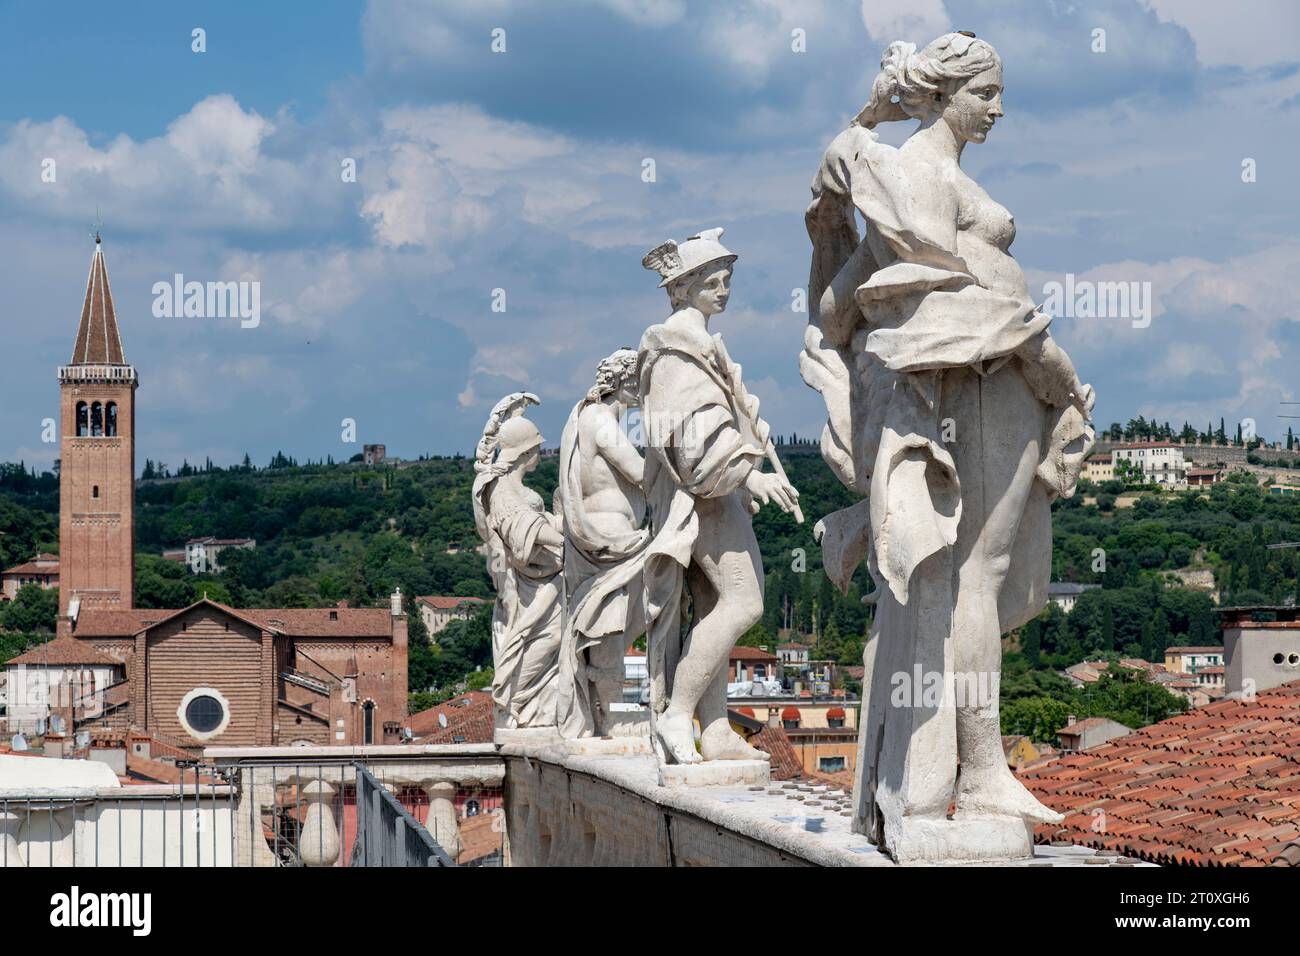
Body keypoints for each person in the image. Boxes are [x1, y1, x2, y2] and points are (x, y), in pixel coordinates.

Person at [801, 33, 1094, 847]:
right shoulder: (918, 174)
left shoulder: (916, 175)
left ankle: (972, 765)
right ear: (947, 90)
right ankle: (982, 766)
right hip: (984, 379)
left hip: (994, 383)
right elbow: (922, 285)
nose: (999, 108)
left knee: (978, 579)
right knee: (977, 577)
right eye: (988, 92)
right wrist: (1052, 364)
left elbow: (844, 303)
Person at [639, 228, 800, 764]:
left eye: (728, 278)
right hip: (702, 496)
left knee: (714, 603)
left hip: (719, 491)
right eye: (713, 280)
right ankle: (675, 714)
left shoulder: (700, 344)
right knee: (744, 602)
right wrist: (750, 475)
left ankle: (715, 727)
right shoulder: (673, 346)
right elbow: (686, 433)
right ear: (683, 288)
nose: (724, 288)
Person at [556, 349, 649, 738]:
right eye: (641, 379)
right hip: (610, 541)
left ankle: (602, 711)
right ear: (625, 381)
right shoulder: (599, 420)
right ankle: (609, 716)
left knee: (608, 622)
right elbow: (641, 472)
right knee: (607, 621)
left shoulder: (586, 418)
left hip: (604, 540)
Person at [471, 393, 565, 729]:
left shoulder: (509, 486)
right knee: (549, 637)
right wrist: (567, 541)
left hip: (544, 577)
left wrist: (504, 414)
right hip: (529, 583)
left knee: (556, 636)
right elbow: (522, 527)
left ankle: (530, 702)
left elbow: (536, 522)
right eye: (536, 448)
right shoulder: (501, 490)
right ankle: (517, 698)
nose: (539, 454)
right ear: (524, 452)